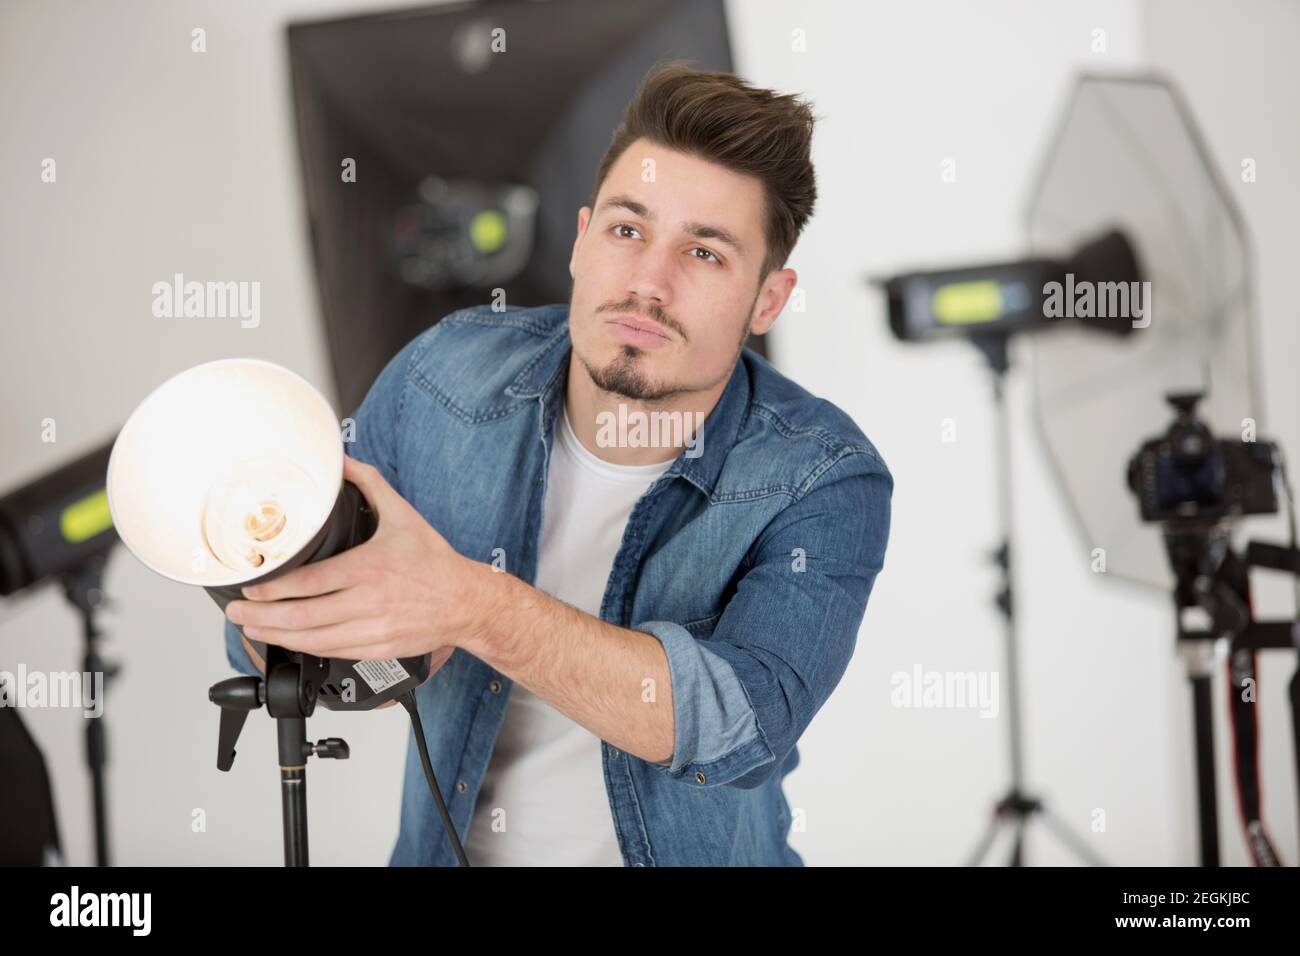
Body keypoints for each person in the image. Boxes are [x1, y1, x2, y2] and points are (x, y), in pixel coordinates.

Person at [222, 60, 892, 866]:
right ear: (580, 241)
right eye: (627, 231)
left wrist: (474, 606)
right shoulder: (442, 375)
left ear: (768, 301)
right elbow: (279, 652)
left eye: (704, 253)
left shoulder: (824, 475)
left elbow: (740, 727)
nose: (649, 283)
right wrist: (295, 611)